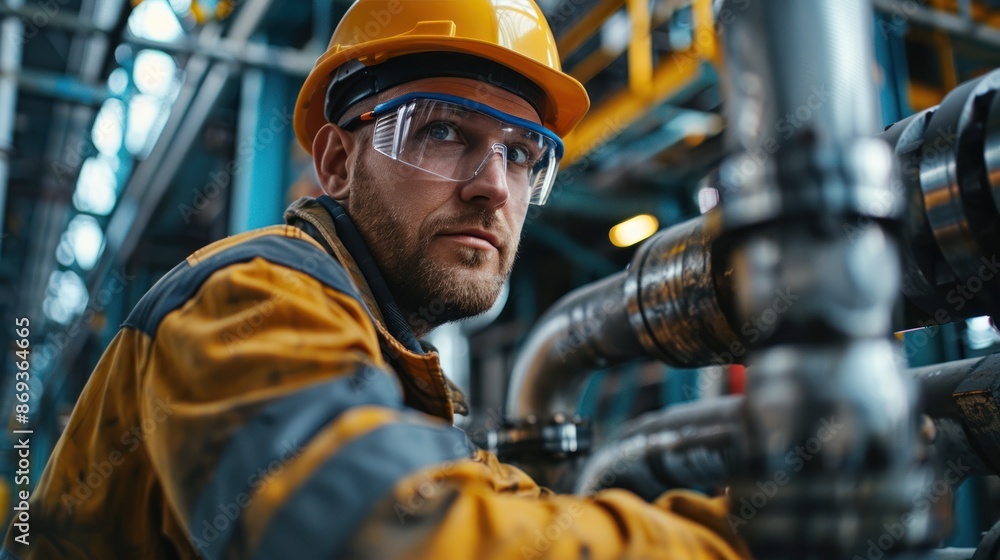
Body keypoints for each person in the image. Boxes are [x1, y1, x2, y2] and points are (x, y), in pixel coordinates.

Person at [3, 1, 751, 558]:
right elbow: (385, 529)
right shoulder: (251, 296)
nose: (494, 186)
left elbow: (495, 500)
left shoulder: (390, 359)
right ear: (336, 162)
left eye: (524, 154)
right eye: (444, 131)